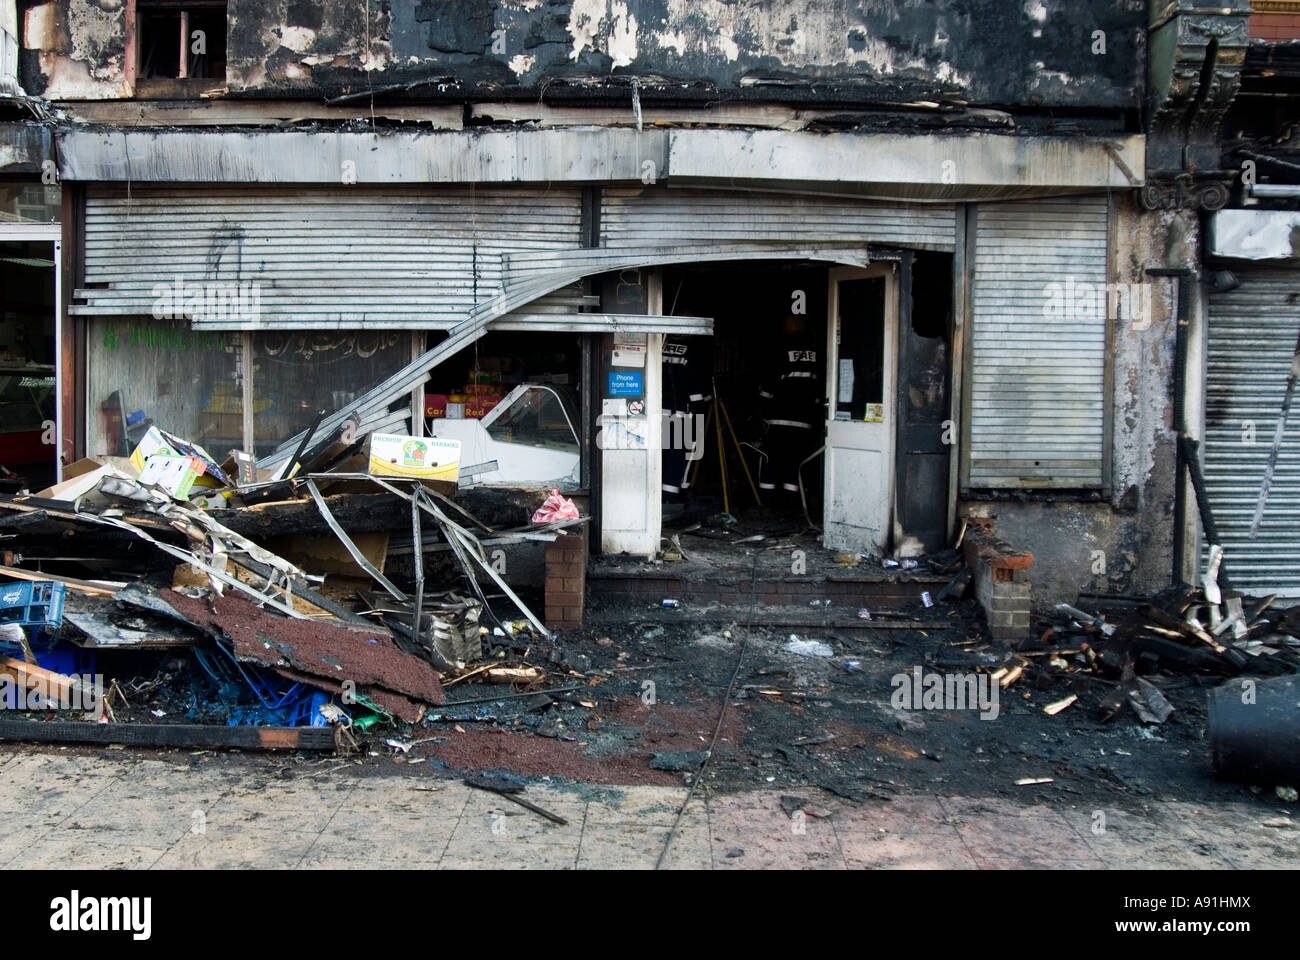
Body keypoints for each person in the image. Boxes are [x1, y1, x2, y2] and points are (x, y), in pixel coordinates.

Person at [757, 313, 823, 500]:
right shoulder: (817, 355)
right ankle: (790, 501)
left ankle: (767, 499)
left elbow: (767, 388)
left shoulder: (780, 351)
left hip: (777, 420)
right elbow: (819, 391)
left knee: (772, 459)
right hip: (803, 421)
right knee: (795, 461)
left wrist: (761, 411)